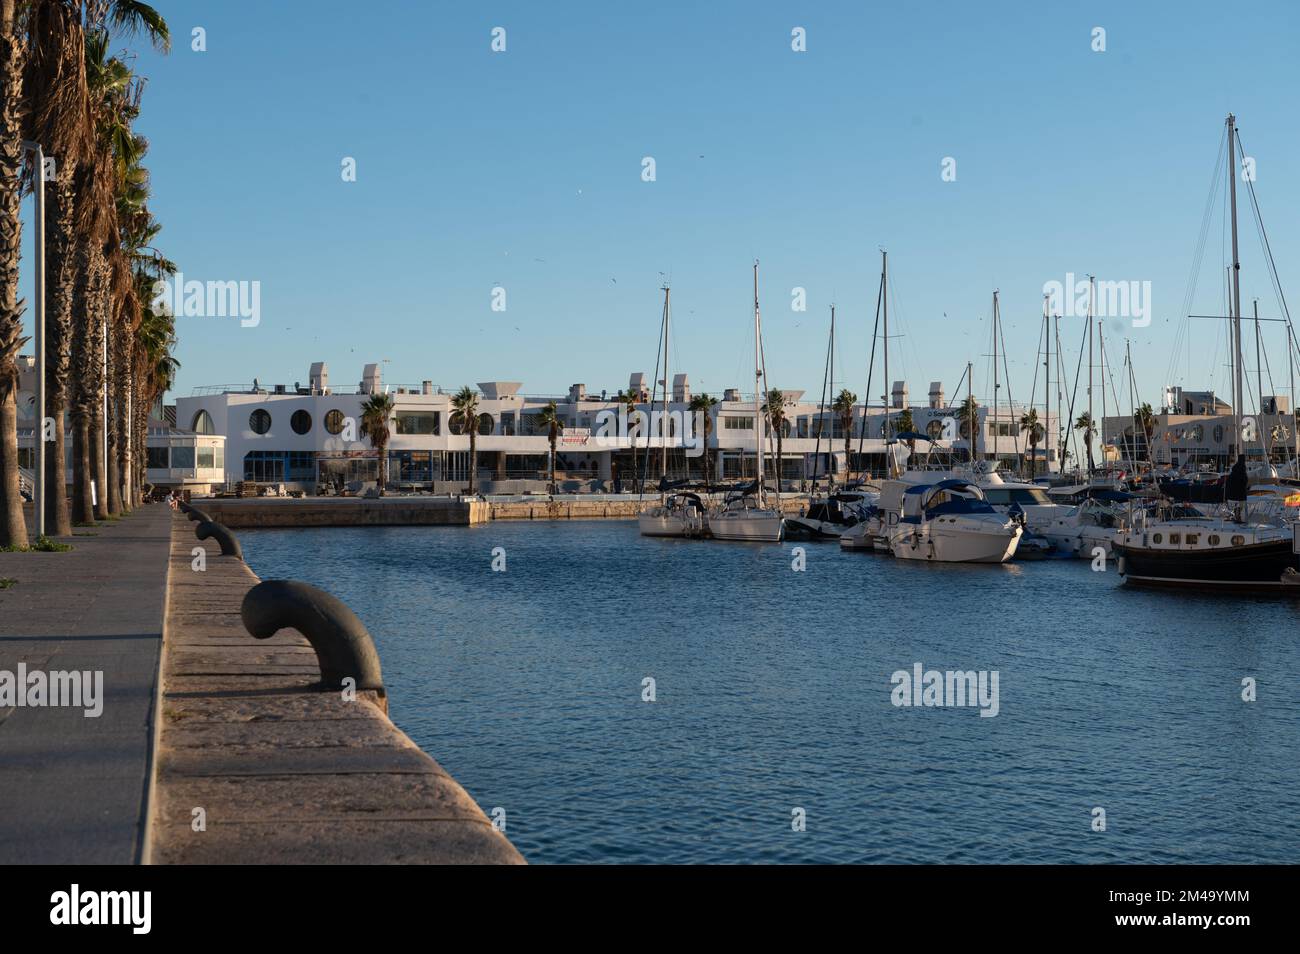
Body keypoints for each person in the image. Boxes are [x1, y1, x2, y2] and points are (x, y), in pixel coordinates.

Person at [1225, 454, 1248, 521]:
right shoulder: (1242, 470)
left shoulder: (1233, 472)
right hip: (1240, 495)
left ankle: (1235, 517)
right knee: (1239, 507)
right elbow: (1244, 481)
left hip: (1231, 495)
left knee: (1235, 507)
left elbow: (1228, 482)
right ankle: (1238, 518)